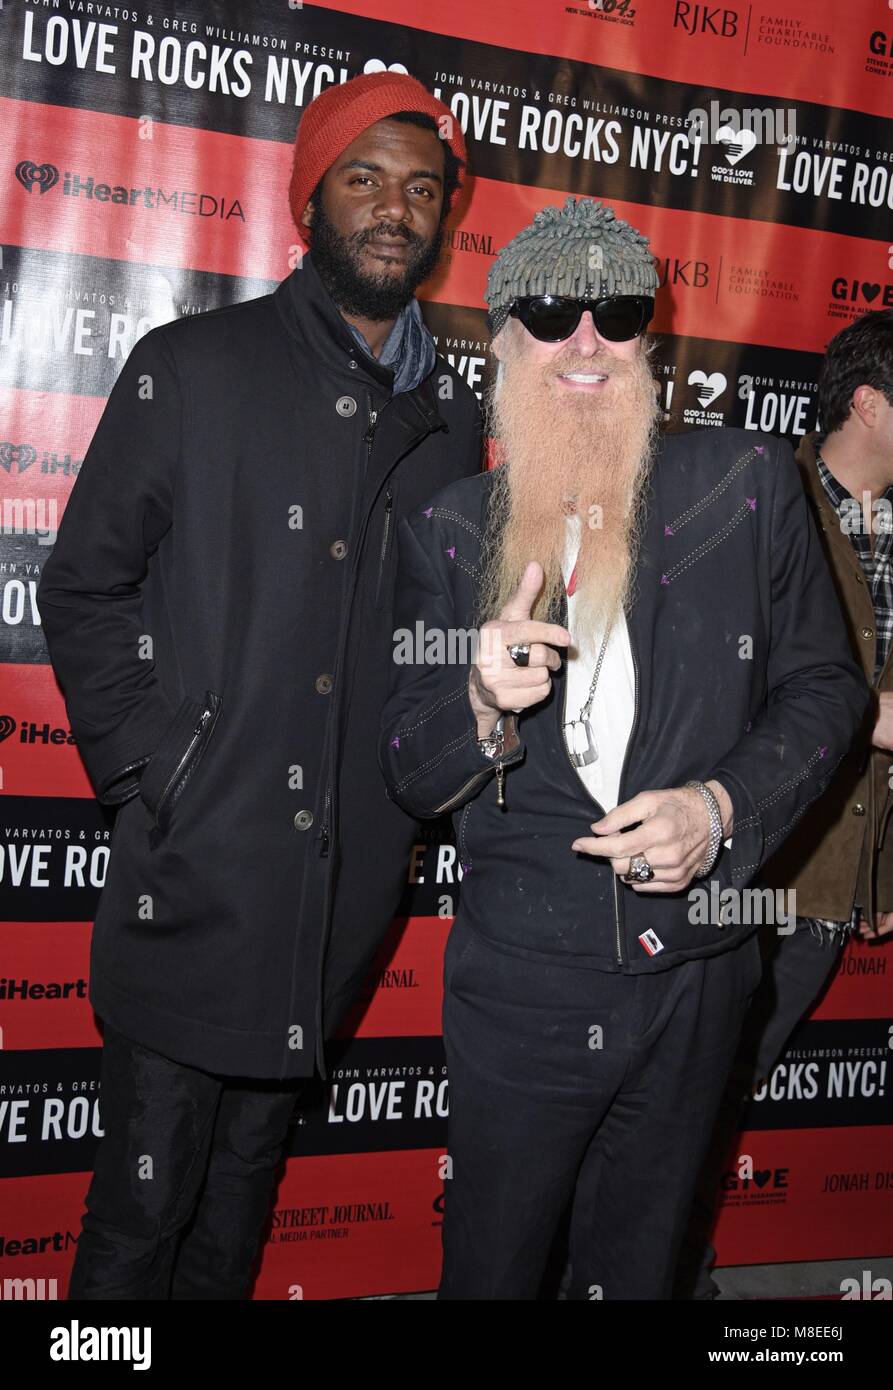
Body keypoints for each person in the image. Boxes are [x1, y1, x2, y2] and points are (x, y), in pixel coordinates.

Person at [36, 71, 482, 1300]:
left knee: (240, 1201)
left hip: (335, 902)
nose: (393, 209)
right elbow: (80, 587)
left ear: (444, 218)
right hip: (195, 879)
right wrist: (157, 764)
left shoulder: (449, 420)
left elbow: (430, 638)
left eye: (419, 188)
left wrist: (404, 796)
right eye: (363, 179)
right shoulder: (190, 367)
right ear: (308, 200)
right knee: (137, 1211)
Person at [378, 194, 871, 1300]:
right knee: (494, 1273)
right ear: (504, 338)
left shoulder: (744, 488)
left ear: (649, 334)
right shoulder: (451, 531)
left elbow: (824, 685)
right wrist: (476, 700)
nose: (585, 340)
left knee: (639, 1273)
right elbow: (405, 768)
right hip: (522, 991)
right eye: (551, 311)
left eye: (616, 308)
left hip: (697, 977)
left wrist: (720, 806)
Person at [676, 308, 893, 1300]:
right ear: (868, 401)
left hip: (832, 875)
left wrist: (877, 867)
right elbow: (727, 680)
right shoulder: (767, 495)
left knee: (728, 1087)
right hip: (753, 859)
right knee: (690, 1087)